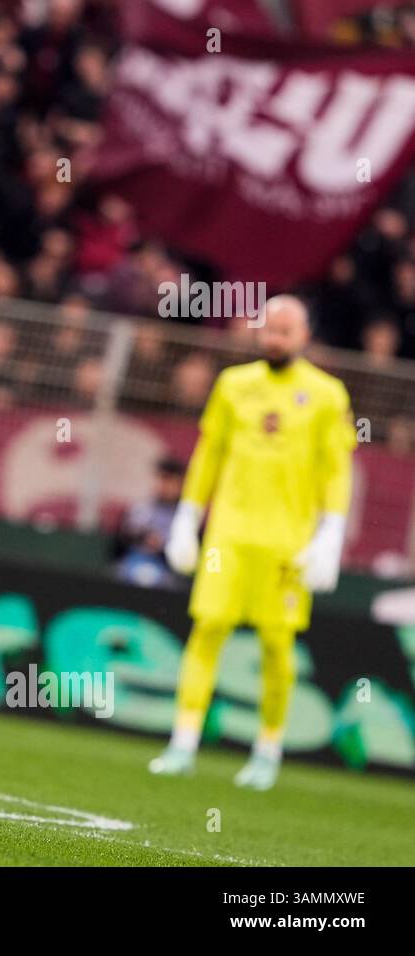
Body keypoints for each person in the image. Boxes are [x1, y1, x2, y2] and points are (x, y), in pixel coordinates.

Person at [151, 295, 356, 790]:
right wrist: (187, 518)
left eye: (285, 331)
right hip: (230, 535)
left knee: (276, 644)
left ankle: (267, 750)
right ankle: (183, 742)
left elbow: (336, 469)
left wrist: (330, 534)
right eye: (268, 329)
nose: (275, 339)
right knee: (208, 629)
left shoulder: (327, 395)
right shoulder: (233, 385)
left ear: (305, 336)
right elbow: (209, 454)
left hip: (288, 540)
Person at [113, 456, 185, 588]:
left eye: (169, 480)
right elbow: (118, 544)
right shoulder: (140, 509)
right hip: (132, 563)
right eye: (161, 479)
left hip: (167, 570)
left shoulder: (185, 517)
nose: (163, 486)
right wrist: (142, 537)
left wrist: (163, 547)